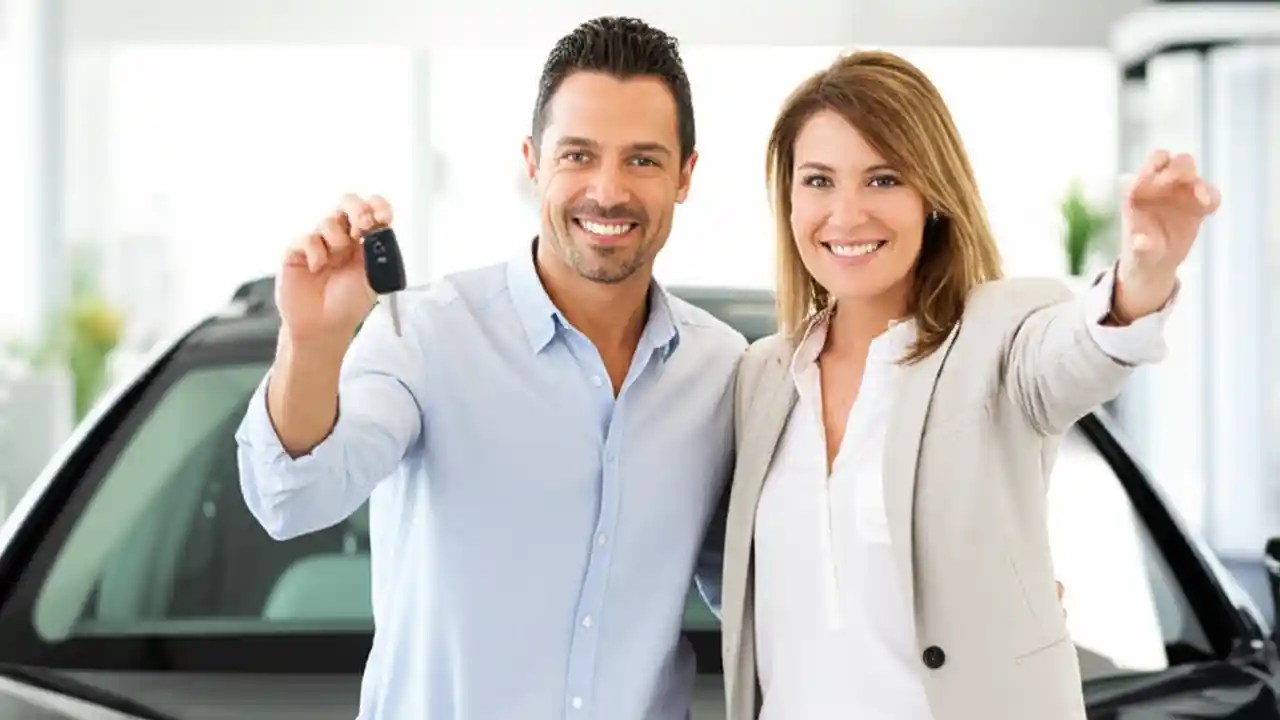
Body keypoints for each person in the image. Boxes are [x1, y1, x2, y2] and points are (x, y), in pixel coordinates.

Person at [234, 16, 745, 720]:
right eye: (578, 155)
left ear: (686, 174)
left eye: (643, 160)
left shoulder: (723, 372)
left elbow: (760, 592)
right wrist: (313, 341)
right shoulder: (426, 336)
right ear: (533, 162)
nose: (607, 190)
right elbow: (293, 499)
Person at [717, 50, 1220, 720]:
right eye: (817, 180)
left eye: (883, 178)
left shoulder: (999, 336)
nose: (845, 213)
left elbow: (1075, 356)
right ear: (788, 198)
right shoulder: (760, 375)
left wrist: (1141, 278)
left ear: (933, 197)